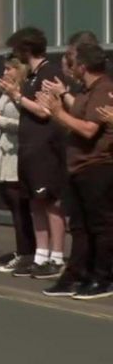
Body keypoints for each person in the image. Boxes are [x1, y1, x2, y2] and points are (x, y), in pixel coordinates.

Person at [39, 42, 113, 300]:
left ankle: (103, 277)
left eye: (72, 62)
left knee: (100, 226)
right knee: (80, 226)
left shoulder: (104, 89)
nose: (70, 67)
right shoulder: (86, 90)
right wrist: (61, 102)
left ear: (83, 65)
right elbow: (81, 114)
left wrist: (58, 113)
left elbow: (89, 129)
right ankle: (78, 273)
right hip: (78, 167)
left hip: (96, 166)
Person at [0, 27, 67, 279]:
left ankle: (57, 256)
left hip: (45, 148)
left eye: (18, 51)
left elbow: (44, 111)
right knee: (34, 203)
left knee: (50, 202)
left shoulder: (49, 73)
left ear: (26, 49)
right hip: (28, 148)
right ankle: (40, 254)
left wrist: (16, 96)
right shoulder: (32, 77)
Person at [0, 55, 35, 274]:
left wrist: (0, 120)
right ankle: (23, 250)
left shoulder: (23, 93)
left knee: (19, 205)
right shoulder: (7, 92)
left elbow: (24, 122)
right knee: (11, 203)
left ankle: (27, 252)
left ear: (19, 71)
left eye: (9, 69)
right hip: (2, 150)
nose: (4, 73)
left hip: (15, 152)